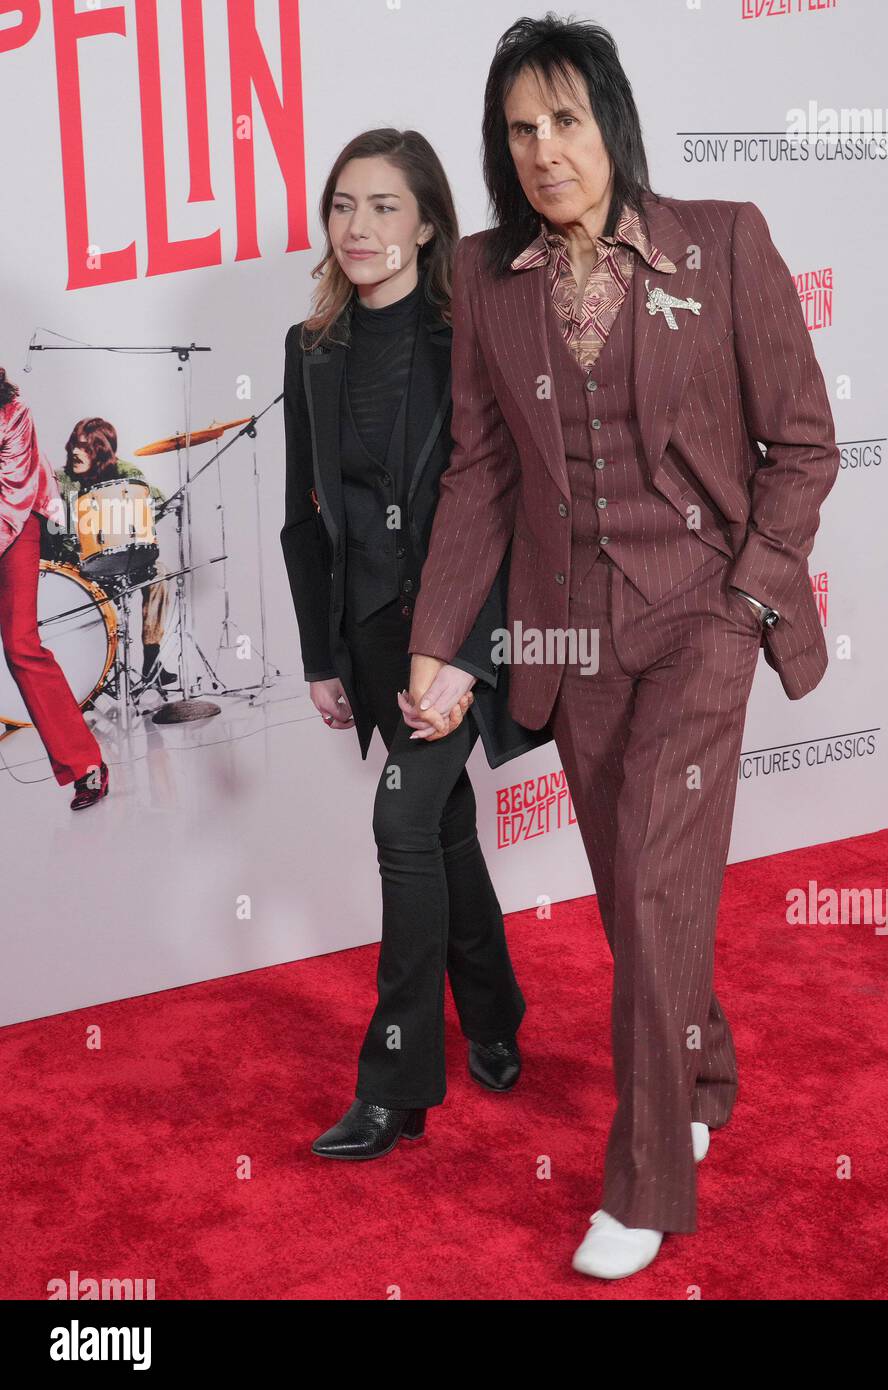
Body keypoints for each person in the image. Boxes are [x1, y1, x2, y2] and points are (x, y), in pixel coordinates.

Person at [405, 16, 839, 1277]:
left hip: (699, 612)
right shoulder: (485, 276)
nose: (543, 150)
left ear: (612, 121)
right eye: (518, 130)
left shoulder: (723, 238)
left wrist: (751, 594)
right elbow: (481, 474)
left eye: (564, 121)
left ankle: (645, 1180)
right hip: (563, 630)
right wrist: (442, 643)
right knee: (631, 904)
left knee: (651, 887)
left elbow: (802, 443)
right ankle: (699, 1075)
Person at [280, 128, 551, 1163]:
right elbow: (306, 517)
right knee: (438, 831)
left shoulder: (472, 338)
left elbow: (514, 508)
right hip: (370, 635)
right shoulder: (310, 350)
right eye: (342, 205)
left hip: (463, 629)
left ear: (429, 222)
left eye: (384, 205)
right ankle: (494, 1014)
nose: (357, 227)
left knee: (402, 826)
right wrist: (318, 655)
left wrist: (469, 657)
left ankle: (395, 1085)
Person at [0, 368, 109, 808]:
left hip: (15, 520)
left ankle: (85, 764)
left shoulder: (14, 414)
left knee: (21, 646)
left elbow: (13, 493)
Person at [43, 417, 176, 690]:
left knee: (160, 573)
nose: (75, 453)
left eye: (84, 448)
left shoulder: (126, 473)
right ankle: (93, 677)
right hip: (77, 567)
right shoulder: (59, 479)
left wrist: (139, 519)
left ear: (101, 450)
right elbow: (46, 529)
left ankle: (152, 658)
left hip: (123, 559)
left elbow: (158, 502)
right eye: (73, 446)